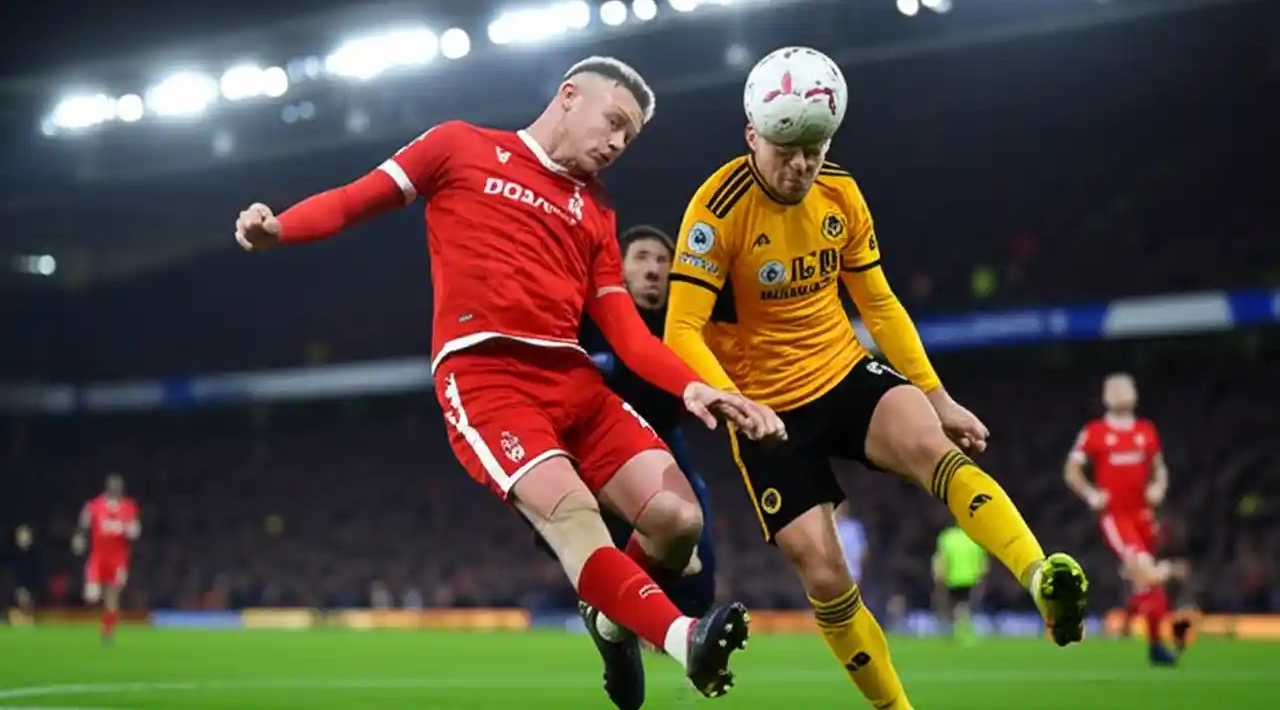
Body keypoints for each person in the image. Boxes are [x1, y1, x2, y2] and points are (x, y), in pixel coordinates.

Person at [233, 55, 786, 700]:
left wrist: (694, 385)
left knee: (678, 519)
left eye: (629, 137)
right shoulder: (458, 147)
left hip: (572, 380)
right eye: (613, 122)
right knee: (575, 518)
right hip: (487, 377)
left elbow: (628, 334)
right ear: (569, 95)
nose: (617, 143)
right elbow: (356, 200)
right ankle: (682, 638)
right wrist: (280, 228)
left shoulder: (596, 210)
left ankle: (611, 621)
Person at [663, 47, 1089, 709]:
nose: (801, 166)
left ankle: (1041, 580)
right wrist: (734, 400)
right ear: (752, 136)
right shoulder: (717, 211)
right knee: (825, 574)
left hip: (843, 370)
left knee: (932, 447)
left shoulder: (841, 193)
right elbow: (681, 329)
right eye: (785, 151)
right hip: (768, 410)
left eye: (814, 150)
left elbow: (880, 305)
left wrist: (937, 395)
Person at [560, 224, 721, 709]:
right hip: (591, 450)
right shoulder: (587, 318)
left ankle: (642, 632)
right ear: (619, 270)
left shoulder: (686, 326)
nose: (654, 269)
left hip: (662, 446)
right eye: (642, 258)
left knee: (695, 555)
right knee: (600, 543)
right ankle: (619, 626)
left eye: (663, 260)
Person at [1065, 373, 1190, 665]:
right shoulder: (1094, 432)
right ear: (1105, 397)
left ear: (1135, 394)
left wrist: (1158, 487)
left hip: (1144, 517)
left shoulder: (1146, 431)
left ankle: (1143, 637)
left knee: (1148, 585)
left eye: (1126, 388)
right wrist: (1091, 494)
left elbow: (1160, 468)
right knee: (1148, 572)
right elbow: (1071, 470)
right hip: (1117, 519)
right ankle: (1174, 574)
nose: (1121, 392)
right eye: (1115, 389)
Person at [73, 474, 140, 643]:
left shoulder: (129, 506)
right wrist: (79, 536)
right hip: (99, 557)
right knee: (92, 595)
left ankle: (107, 630)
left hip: (118, 559)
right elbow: (84, 521)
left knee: (112, 596)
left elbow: (133, 528)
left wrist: (133, 528)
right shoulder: (94, 505)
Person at [932, 524, 988, 646]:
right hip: (971, 576)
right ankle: (963, 632)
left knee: (958, 605)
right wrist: (982, 574)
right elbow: (981, 559)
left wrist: (940, 575)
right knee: (963, 605)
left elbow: (942, 558)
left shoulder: (947, 537)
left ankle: (961, 632)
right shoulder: (974, 537)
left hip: (953, 577)